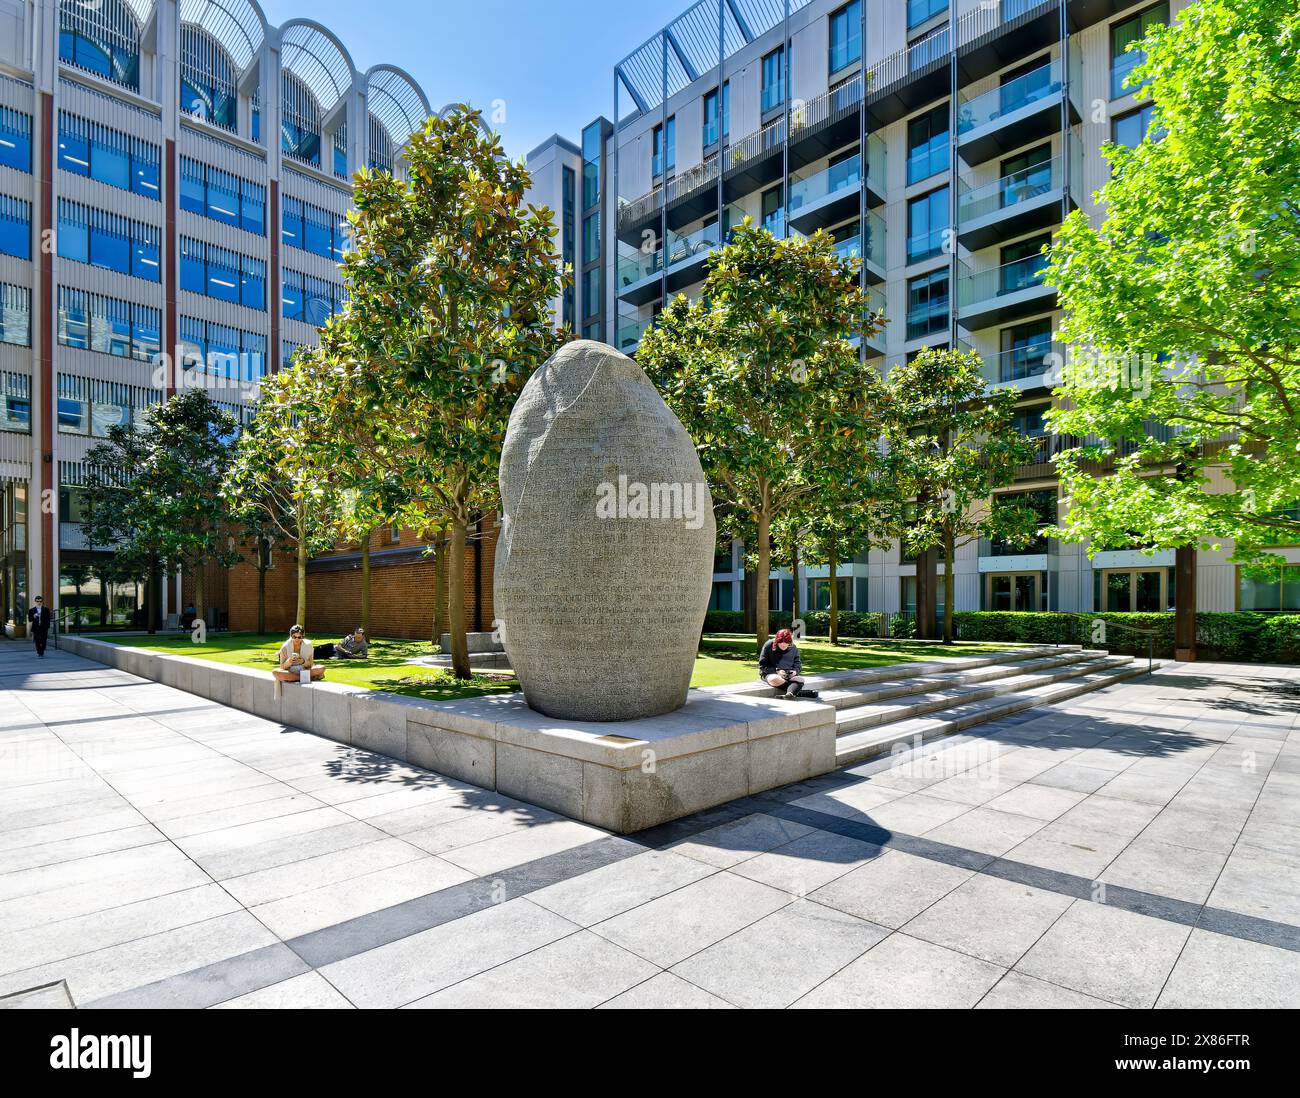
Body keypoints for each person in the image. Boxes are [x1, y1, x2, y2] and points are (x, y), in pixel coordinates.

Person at [758, 627, 819, 700]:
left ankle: (789, 694)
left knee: (800, 679)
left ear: (789, 642)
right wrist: (777, 671)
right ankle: (801, 693)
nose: (783, 645)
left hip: (788, 674)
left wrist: (795, 671)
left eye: (786, 643)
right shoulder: (768, 645)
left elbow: (798, 664)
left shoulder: (793, 647)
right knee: (774, 679)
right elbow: (762, 666)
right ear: (777, 641)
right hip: (771, 674)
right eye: (781, 643)